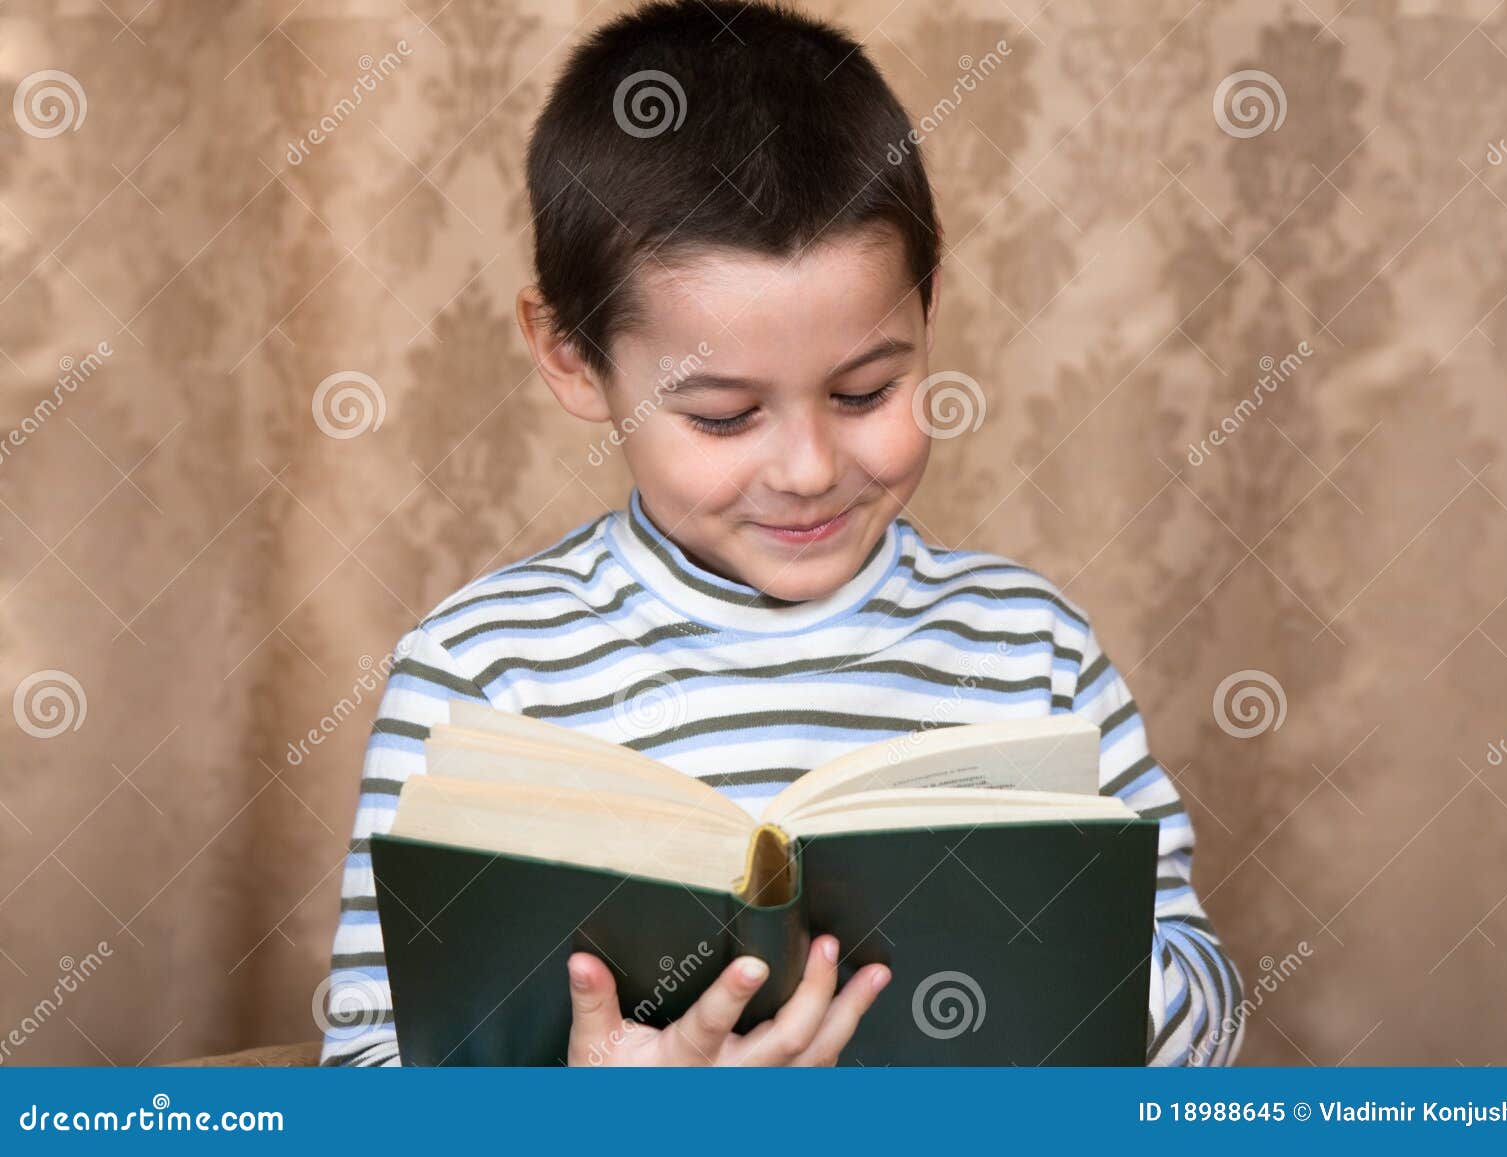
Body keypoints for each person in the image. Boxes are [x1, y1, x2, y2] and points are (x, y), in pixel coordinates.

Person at [318, 0, 1242, 1067]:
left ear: (927, 301)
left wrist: (1069, 947)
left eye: (865, 390)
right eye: (722, 415)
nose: (807, 470)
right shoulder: (482, 667)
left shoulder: (1028, 646)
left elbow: (1209, 1013)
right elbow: (366, 1070)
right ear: (572, 357)